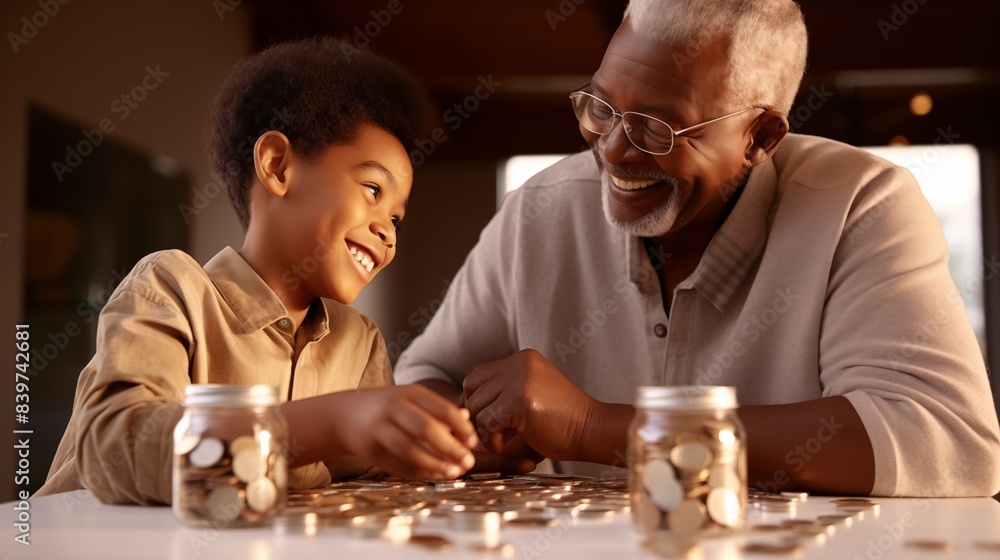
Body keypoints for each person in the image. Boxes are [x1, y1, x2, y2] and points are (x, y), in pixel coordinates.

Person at [396, 0, 1000, 497]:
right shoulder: (540, 210)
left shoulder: (858, 204)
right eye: (602, 108)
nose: (612, 151)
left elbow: (947, 439)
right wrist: (469, 437)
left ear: (760, 137)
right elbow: (427, 381)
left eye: (657, 128)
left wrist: (594, 427)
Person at [37, 37, 478, 505]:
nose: (388, 232)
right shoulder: (171, 289)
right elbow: (117, 450)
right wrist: (333, 422)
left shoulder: (360, 341)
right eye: (372, 190)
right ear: (277, 166)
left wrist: (468, 448)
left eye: (396, 219)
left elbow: (375, 472)